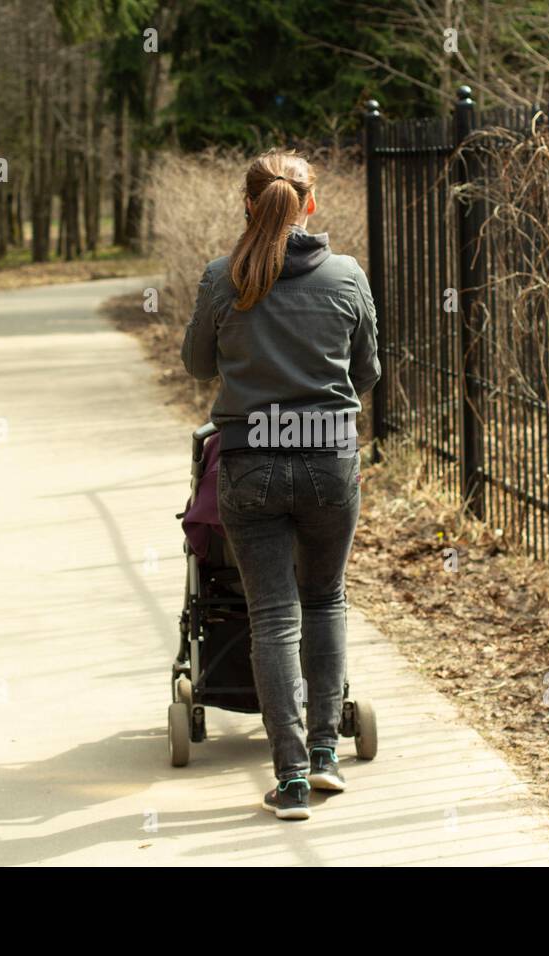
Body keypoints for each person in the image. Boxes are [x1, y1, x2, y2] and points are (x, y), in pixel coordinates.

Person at [180, 147, 381, 820]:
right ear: (311, 205)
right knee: (324, 598)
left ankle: (291, 778)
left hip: (250, 460)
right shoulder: (348, 276)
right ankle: (325, 755)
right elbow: (368, 373)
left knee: (273, 614)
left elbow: (196, 363)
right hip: (329, 458)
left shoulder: (221, 277)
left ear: (247, 204)